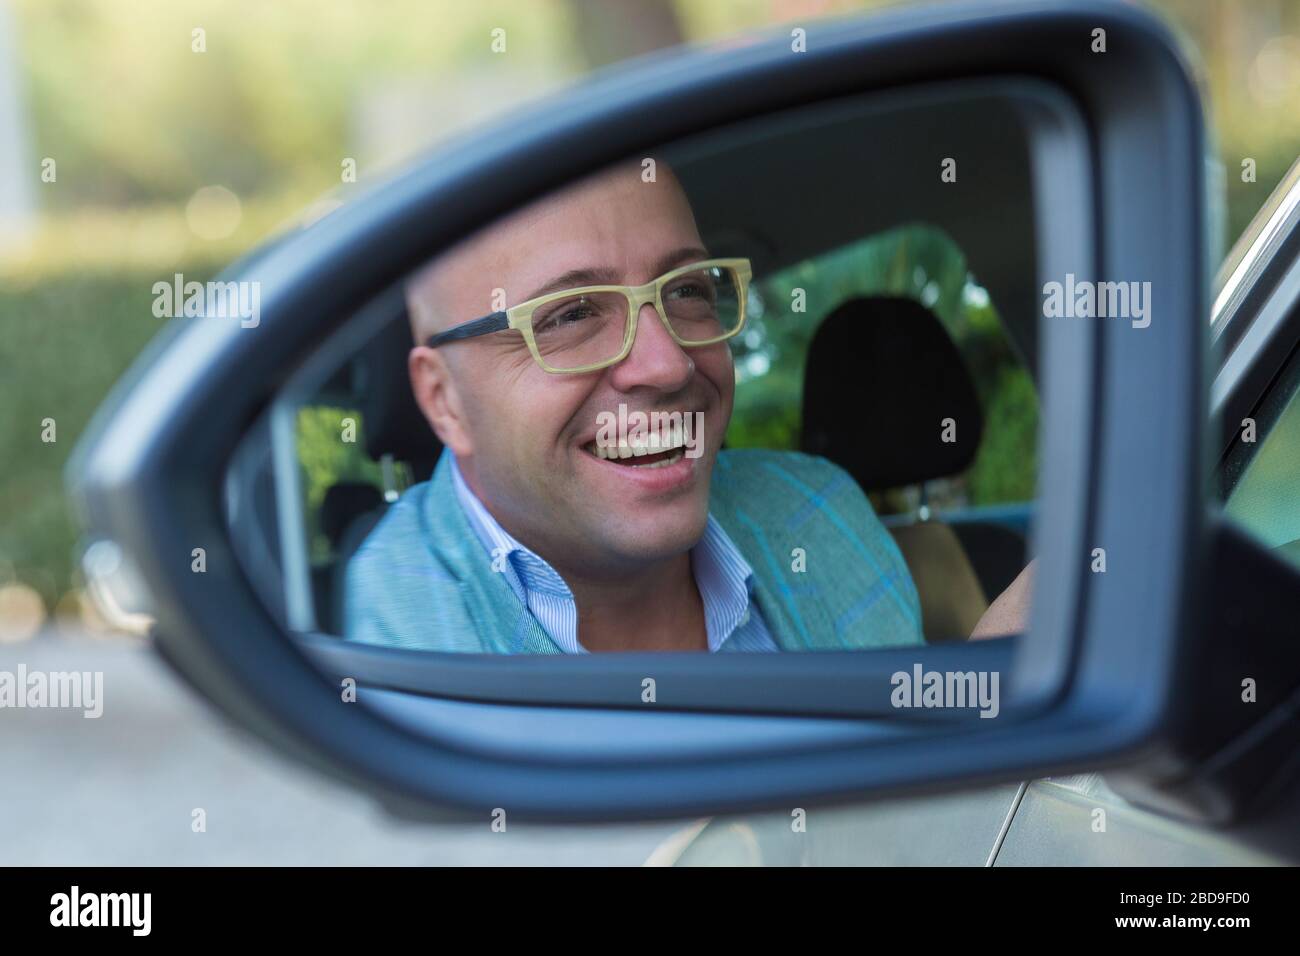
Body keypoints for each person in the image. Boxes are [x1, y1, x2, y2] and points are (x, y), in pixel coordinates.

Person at [344, 160, 932, 653]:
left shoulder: (818, 512)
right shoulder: (399, 622)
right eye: (571, 314)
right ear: (444, 399)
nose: (668, 364)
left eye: (685, 290)